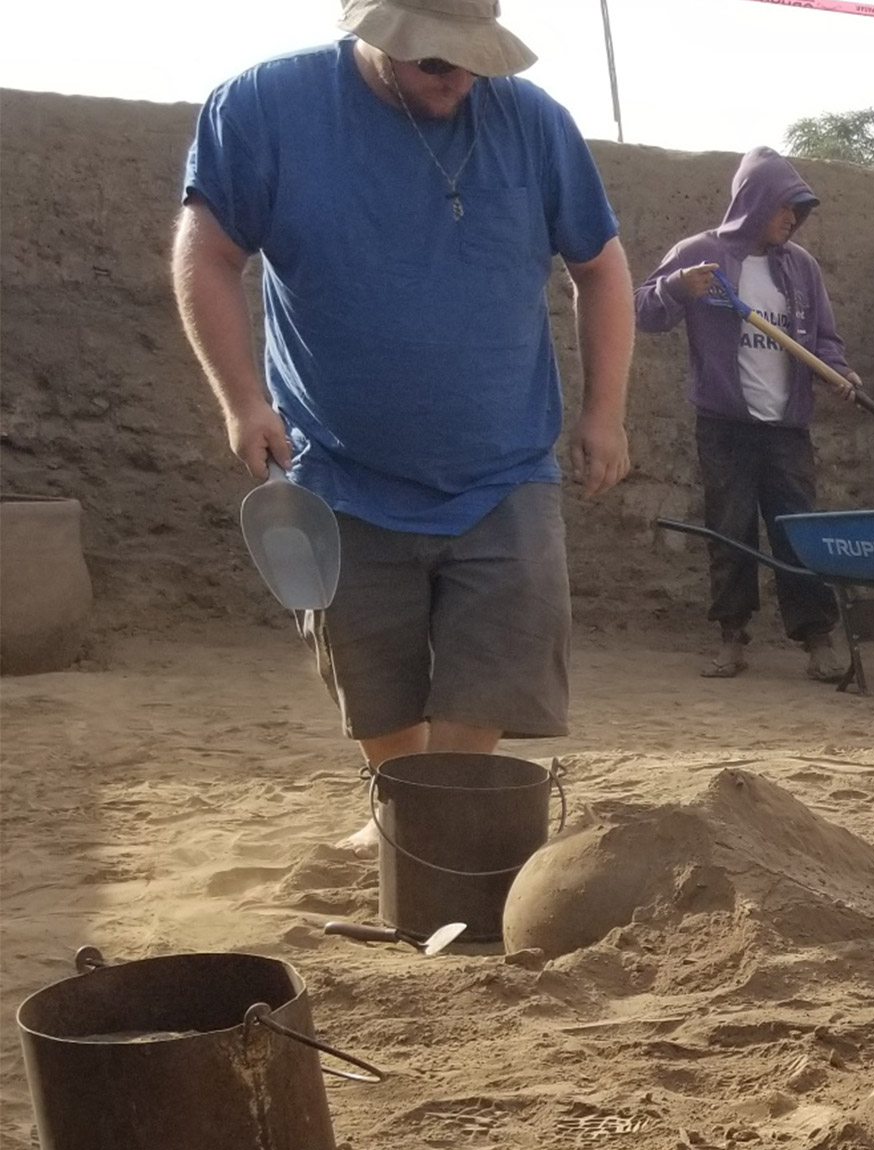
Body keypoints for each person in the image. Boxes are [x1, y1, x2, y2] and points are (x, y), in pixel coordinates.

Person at [173, 0, 632, 794]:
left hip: (504, 471)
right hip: (342, 468)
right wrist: (242, 401)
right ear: (375, 35)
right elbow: (207, 253)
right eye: (433, 59)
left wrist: (605, 413)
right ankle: (407, 805)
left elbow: (602, 269)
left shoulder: (534, 124)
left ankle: (435, 808)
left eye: (472, 58)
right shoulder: (264, 108)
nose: (457, 76)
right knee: (367, 673)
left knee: (494, 668)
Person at [637, 149, 859, 681]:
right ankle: (732, 637)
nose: (793, 219)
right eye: (787, 207)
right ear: (756, 202)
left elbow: (823, 339)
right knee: (730, 531)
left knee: (798, 532)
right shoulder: (701, 257)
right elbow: (642, 310)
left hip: (787, 427)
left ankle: (816, 638)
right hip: (725, 425)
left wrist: (838, 373)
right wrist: (675, 287)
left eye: (798, 211)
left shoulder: (800, 267)